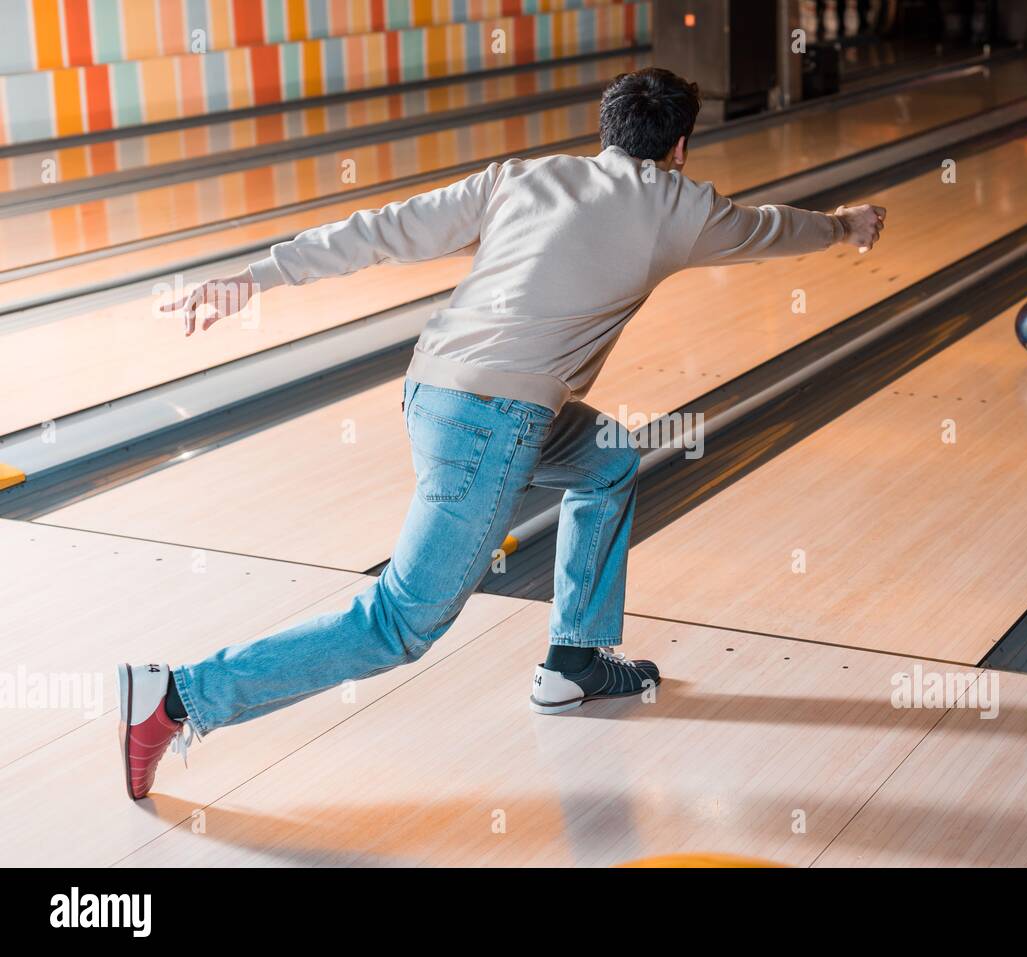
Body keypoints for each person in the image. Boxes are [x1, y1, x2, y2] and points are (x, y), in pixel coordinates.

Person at [118, 67, 885, 801]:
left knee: (610, 461)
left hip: (433, 391)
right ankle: (181, 697)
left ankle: (575, 659)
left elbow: (385, 229)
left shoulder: (522, 177)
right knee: (400, 623)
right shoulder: (679, 207)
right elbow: (770, 230)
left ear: (604, 132)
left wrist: (256, 276)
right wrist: (847, 226)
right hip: (496, 423)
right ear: (679, 148)